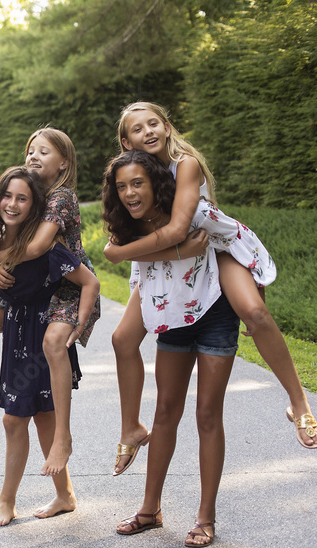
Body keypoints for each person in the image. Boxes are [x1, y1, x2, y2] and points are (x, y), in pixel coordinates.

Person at [105, 102, 314, 476]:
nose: (148, 131)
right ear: (125, 141)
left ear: (168, 128)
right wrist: (126, 248)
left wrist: (118, 255)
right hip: (172, 256)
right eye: (138, 129)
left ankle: (298, 402)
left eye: (154, 123)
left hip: (217, 245)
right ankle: (131, 427)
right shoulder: (135, 175)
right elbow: (145, 228)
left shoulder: (186, 163)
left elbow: (175, 231)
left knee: (253, 312)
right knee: (122, 339)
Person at [105, 150, 255, 546]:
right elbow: (140, 276)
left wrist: (256, 295)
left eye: (138, 183)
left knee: (207, 412)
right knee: (166, 411)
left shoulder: (188, 212)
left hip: (215, 314)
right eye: (122, 187)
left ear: (156, 183)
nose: (130, 193)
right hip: (173, 316)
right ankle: (149, 509)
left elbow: (235, 241)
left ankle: (206, 518)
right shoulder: (130, 228)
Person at [0, 129, 99, 477]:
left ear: (64, 162)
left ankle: (63, 434)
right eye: (30, 150)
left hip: (69, 288)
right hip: (37, 283)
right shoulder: (33, 194)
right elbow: (23, 248)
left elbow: (36, 249)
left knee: (52, 342)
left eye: (44, 152)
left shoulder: (61, 196)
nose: (33, 156)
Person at [0, 167, 99, 527]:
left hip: (45, 335)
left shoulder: (48, 248)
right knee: (34, 419)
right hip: (17, 334)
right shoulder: (1, 243)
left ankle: (6, 501)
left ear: (35, 207)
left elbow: (88, 281)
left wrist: (79, 324)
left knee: (18, 419)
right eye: (8, 196)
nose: (12, 204)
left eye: (23, 198)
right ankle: (65, 495)